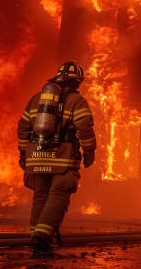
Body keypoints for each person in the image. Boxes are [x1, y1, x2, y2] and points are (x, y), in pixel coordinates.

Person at [17, 61, 96, 255]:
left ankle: (35, 236)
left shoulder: (36, 100)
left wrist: (24, 154)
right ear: (77, 82)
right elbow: (85, 129)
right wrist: (89, 152)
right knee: (58, 195)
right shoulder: (77, 102)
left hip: (36, 158)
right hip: (62, 159)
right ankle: (42, 238)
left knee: (40, 196)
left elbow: (23, 128)